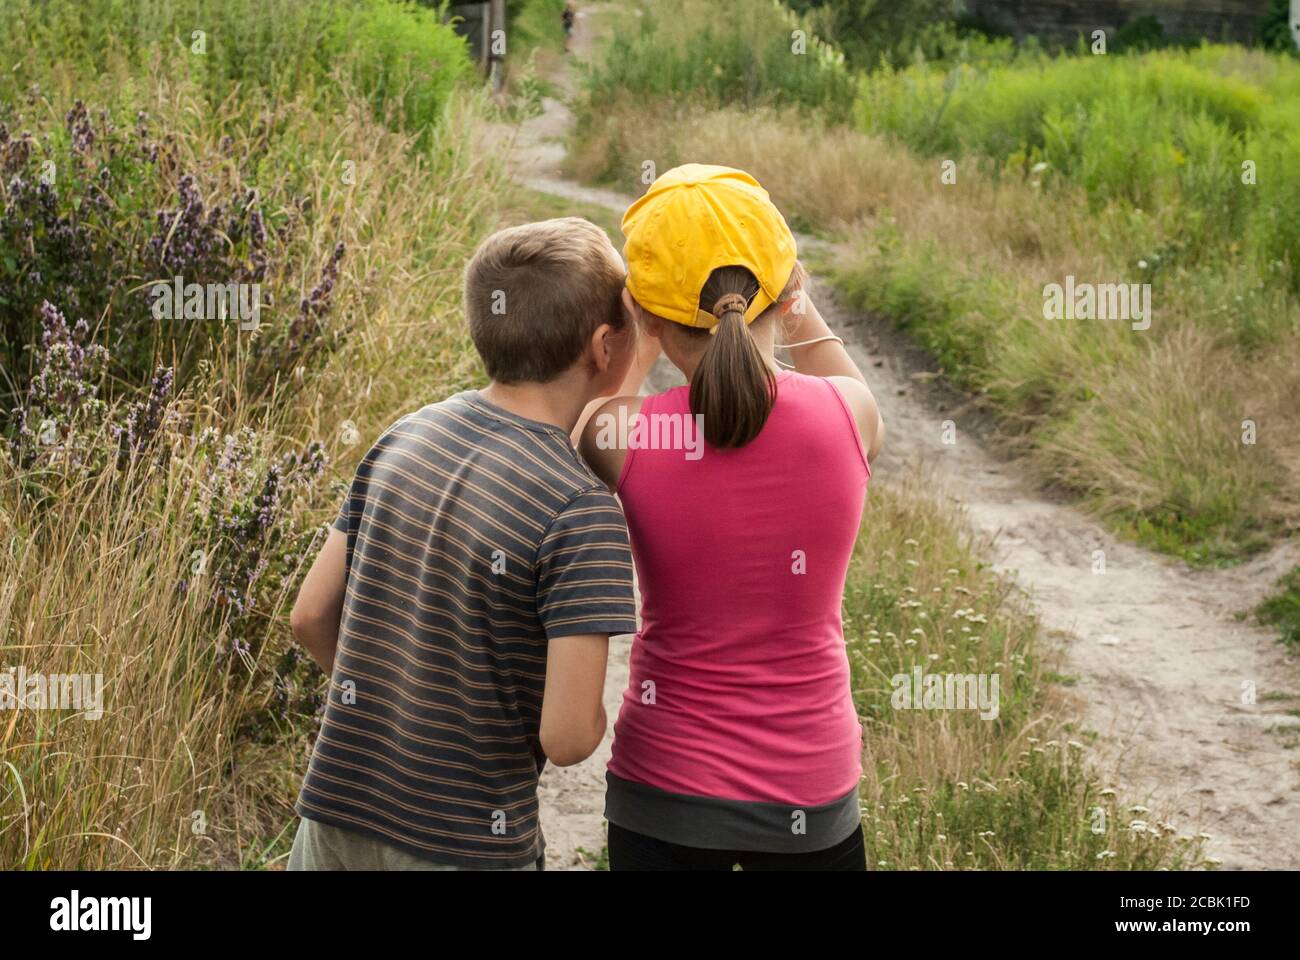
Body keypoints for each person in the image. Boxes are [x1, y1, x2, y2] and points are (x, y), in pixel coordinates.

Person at [286, 218, 639, 870]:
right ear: (602, 346)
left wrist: (393, 708)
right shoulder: (578, 508)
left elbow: (309, 615)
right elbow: (565, 738)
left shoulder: (405, 436)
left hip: (334, 814)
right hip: (465, 842)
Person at [580, 164, 885, 870]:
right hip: (812, 789)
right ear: (786, 288)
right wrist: (795, 300)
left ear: (644, 312)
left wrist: (641, 337)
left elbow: (600, 410)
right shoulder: (850, 416)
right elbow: (836, 372)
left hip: (665, 790)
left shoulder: (625, 437)